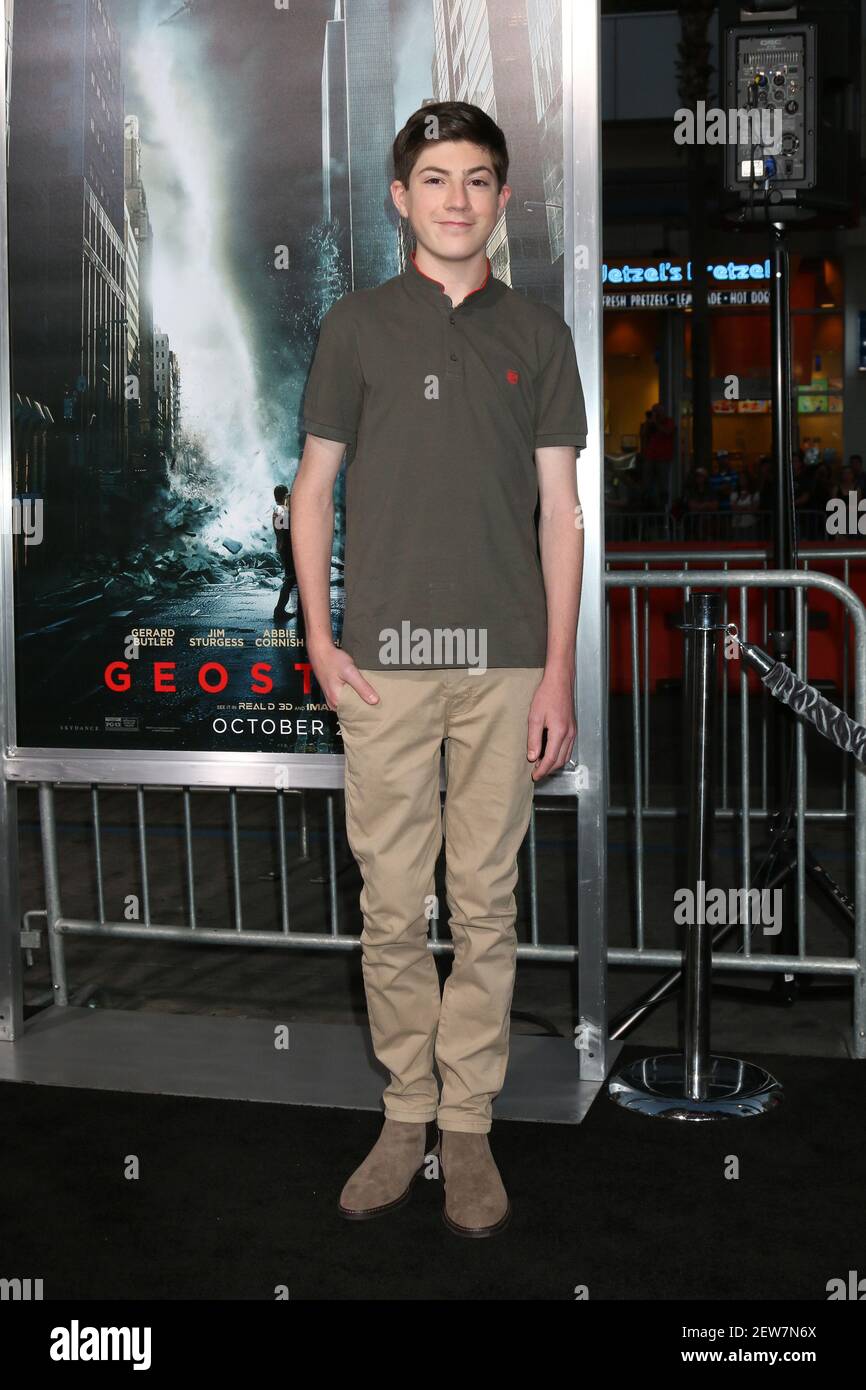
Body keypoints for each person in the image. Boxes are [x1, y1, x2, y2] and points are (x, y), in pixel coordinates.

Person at [291, 101, 587, 1237]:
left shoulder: (539, 336)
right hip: (383, 672)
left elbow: (560, 514)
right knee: (390, 908)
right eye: (432, 178)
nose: (454, 197)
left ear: (501, 198)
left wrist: (557, 671)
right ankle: (402, 1111)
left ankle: (467, 1124)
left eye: (475, 178)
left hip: (507, 664)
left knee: (485, 903)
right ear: (398, 197)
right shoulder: (354, 329)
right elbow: (312, 494)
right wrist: (320, 641)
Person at [272, 483, 297, 624]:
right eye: (287, 494)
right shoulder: (281, 510)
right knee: (290, 579)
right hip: (287, 548)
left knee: (291, 579)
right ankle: (279, 610)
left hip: (285, 547)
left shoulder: (281, 509)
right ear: (284, 495)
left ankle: (280, 610)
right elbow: (284, 531)